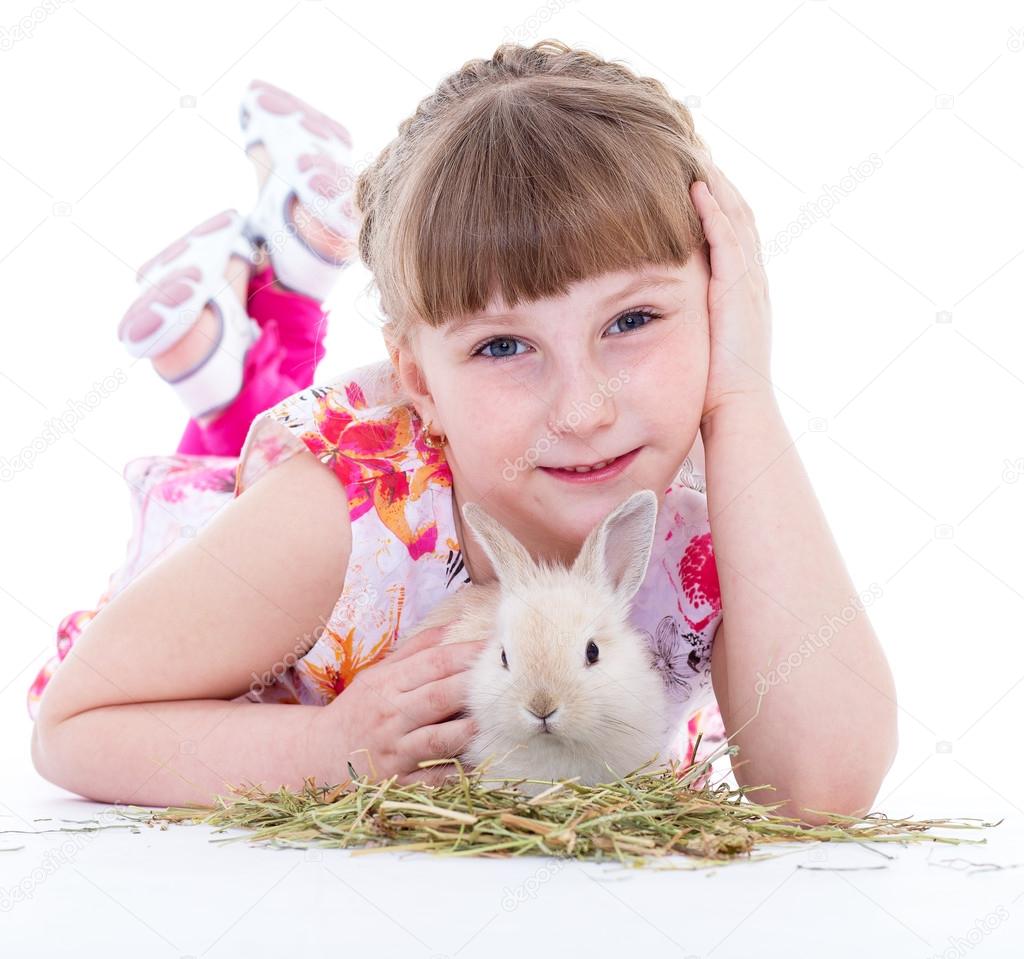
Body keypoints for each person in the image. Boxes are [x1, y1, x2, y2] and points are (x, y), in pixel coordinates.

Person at [29, 42, 898, 826]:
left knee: (241, 415)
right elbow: (76, 724)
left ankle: (265, 307)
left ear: (715, 304)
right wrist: (322, 749)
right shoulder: (335, 519)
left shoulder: (719, 494)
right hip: (259, 555)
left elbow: (823, 786)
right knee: (226, 466)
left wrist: (744, 393)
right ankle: (268, 320)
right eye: (505, 344)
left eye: (633, 319)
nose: (583, 409)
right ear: (419, 381)